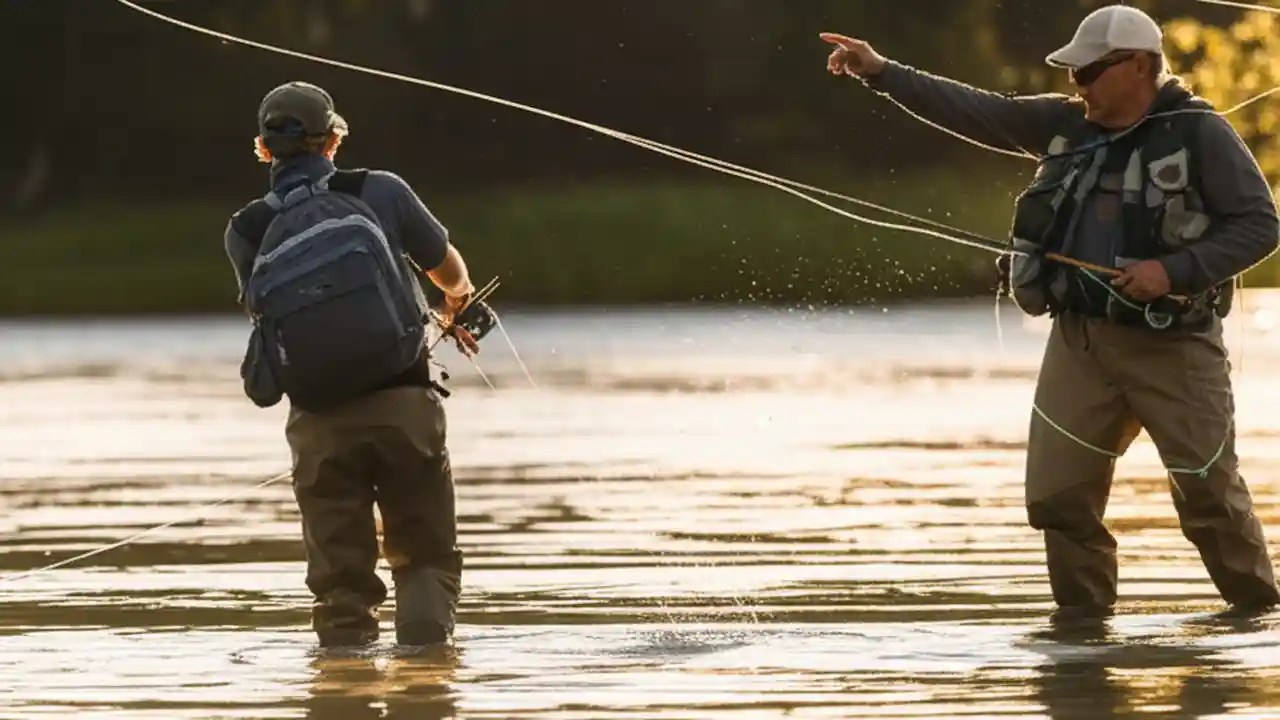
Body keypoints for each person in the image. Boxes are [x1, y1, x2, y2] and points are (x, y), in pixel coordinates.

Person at [821, 5, 1280, 618]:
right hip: (1079, 345)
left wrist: (1172, 272)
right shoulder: (1063, 124)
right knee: (1059, 499)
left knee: (1209, 498)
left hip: (1175, 348)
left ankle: (1259, 624)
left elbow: (1260, 225)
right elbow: (976, 110)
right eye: (1073, 72)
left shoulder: (1201, 133)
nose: (1076, 84)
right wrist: (881, 71)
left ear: (1138, 66)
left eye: (1088, 72)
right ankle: (1082, 640)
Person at [223, 81, 478, 646]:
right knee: (425, 559)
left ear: (263, 149)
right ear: (333, 141)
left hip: (317, 425)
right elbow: (448, 269)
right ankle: (426, 674)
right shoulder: (381, 190)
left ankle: (343, 675)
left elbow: (271, 319)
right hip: (405, 404)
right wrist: (456, 299)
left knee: (340, 591)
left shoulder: (245, 230)